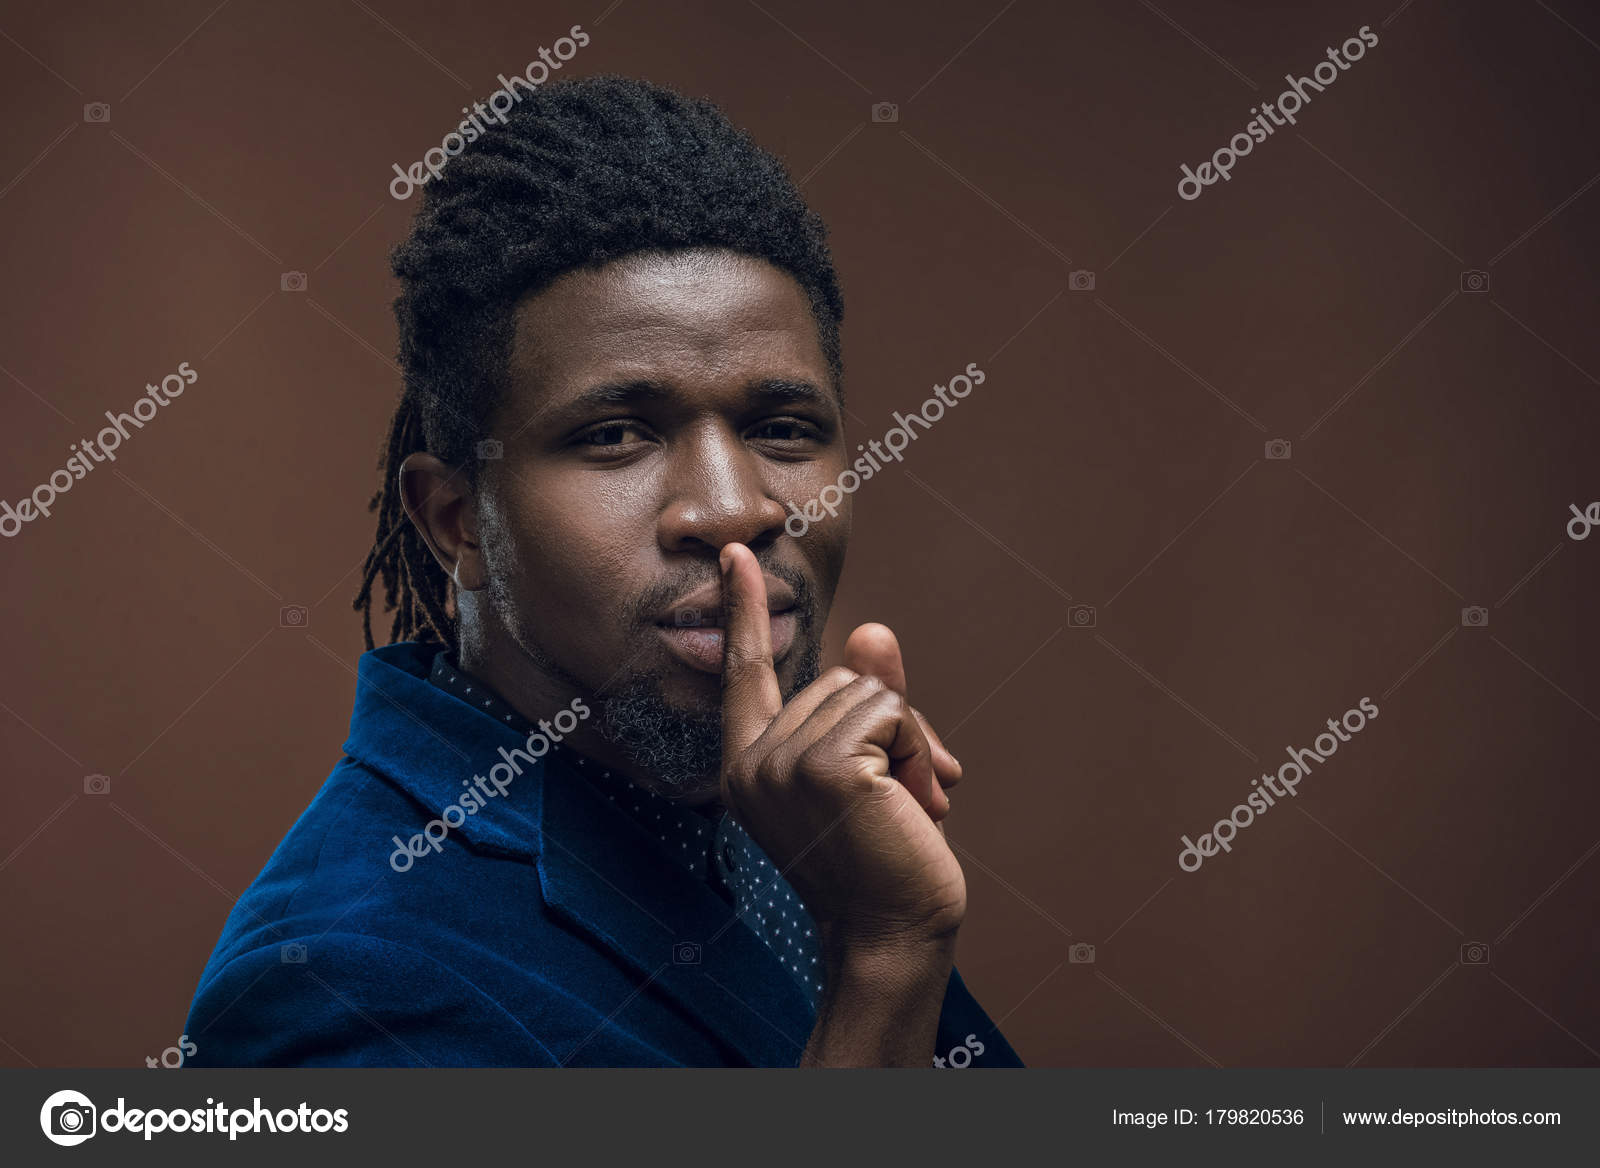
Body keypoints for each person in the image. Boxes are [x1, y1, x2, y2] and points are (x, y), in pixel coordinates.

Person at [184, 75, 1021, 1068]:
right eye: (616, 435)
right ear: (459, 523)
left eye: (782, 427)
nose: (732, 509)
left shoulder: (792, 821)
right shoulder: (346, 979)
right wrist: (882, 964)